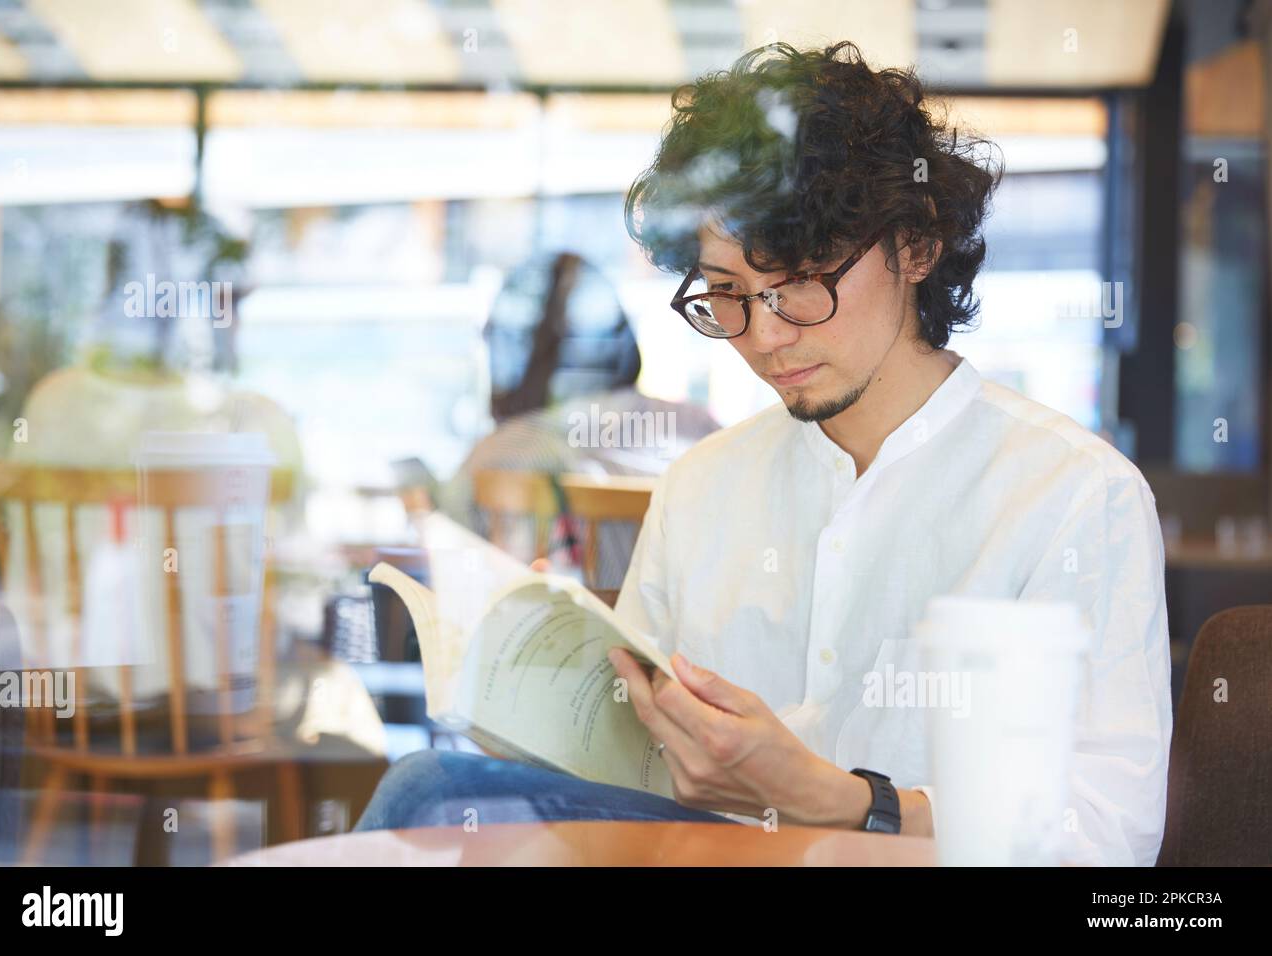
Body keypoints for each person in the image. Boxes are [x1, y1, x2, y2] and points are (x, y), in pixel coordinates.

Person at [357, 42, 1171, 866]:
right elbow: (626, 766)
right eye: (728, 293)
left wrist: (842, 802)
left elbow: (1107, 838)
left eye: (806, 277)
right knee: (435, 800)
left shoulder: (1071, 496)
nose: (768, 334)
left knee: (429, 793)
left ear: (916, 247)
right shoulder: (703, 485)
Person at [436, 250, 719, 585]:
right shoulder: (700, 432)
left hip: (550, 634)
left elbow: (448, 567)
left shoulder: (496, 456)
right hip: (681, 635)